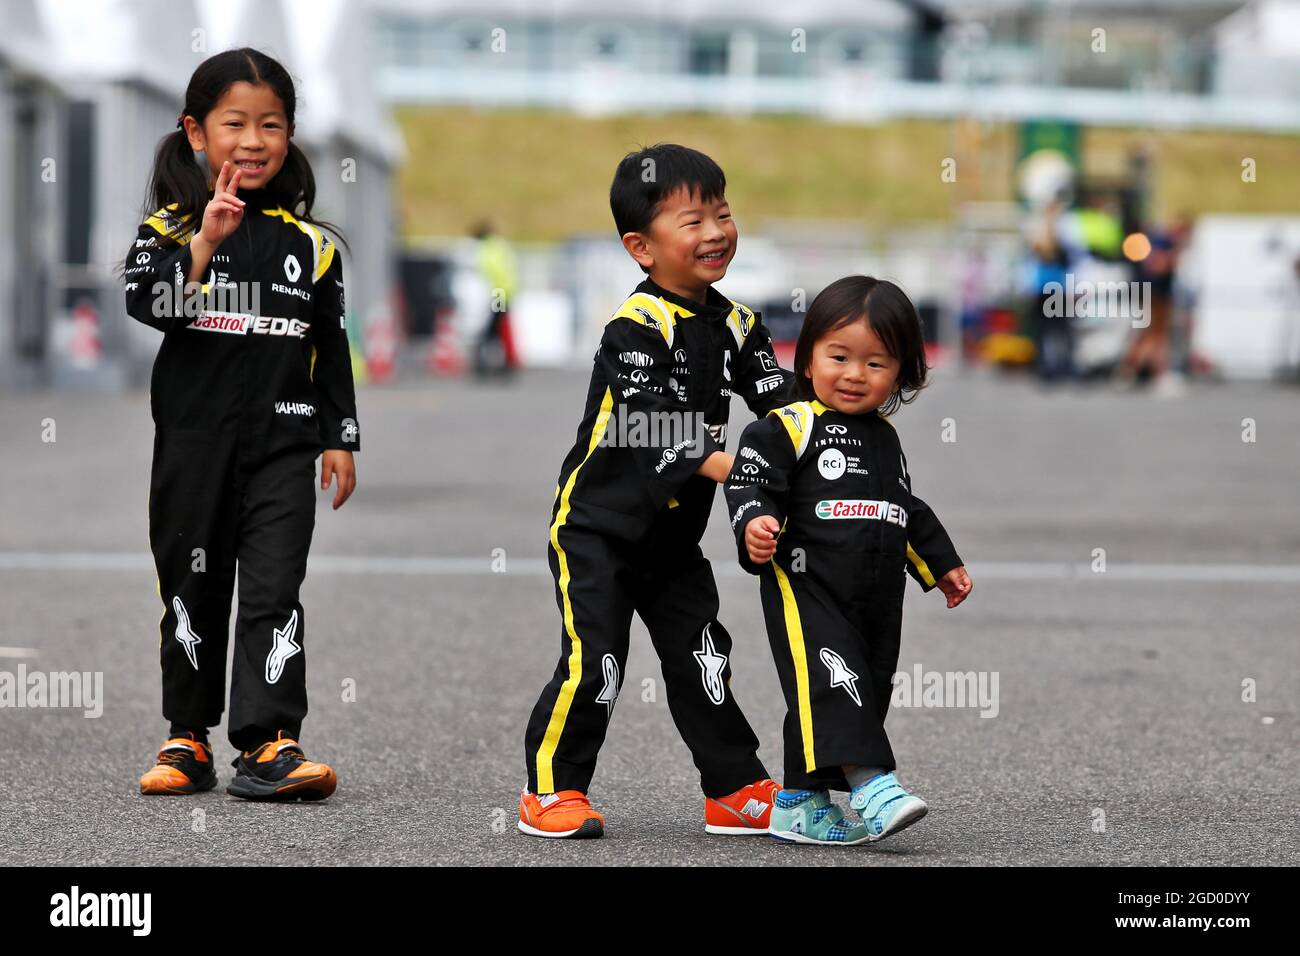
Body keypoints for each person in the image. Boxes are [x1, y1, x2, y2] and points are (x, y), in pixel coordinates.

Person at [520, 144, 793, 838]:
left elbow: (782, 405)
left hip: (671, 541)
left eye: (723, 214)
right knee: (598, 662)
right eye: (693, 221)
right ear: (641, 247)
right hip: (596, 528)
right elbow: (646, 420)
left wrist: (837, 432)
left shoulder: (737, 325)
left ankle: (734, 788)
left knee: (705, 654)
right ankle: (552, 791)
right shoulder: (635, 327)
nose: (716, 232)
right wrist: (736, 467)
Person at [123, 48, 359, 801]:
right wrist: (203, 244)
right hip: (194, 449)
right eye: (236, 124)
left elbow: (331, 346)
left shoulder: (312, 245)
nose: (254, 141)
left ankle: (268, 743)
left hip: (286, 446)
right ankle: (186, 738)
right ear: (196, 132)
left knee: (273, 591)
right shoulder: (169, 226)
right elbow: (148, 307)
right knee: (193, 591)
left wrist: (340, 436)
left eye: (272, 125)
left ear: (290, 136)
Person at [724, 276, 972, 845]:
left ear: (903, 374)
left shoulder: (885, 440)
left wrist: (940, 565)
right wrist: (754, 523)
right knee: (835, 686)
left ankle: (799, 805)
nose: (855, 374)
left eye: (876, 363)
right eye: (839, 356)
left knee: (862, 686)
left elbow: (903, 509)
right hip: (809, 585)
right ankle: (873, 784)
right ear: (807, 358)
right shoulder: (788, 426)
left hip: (877, 594)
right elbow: (749, 478)